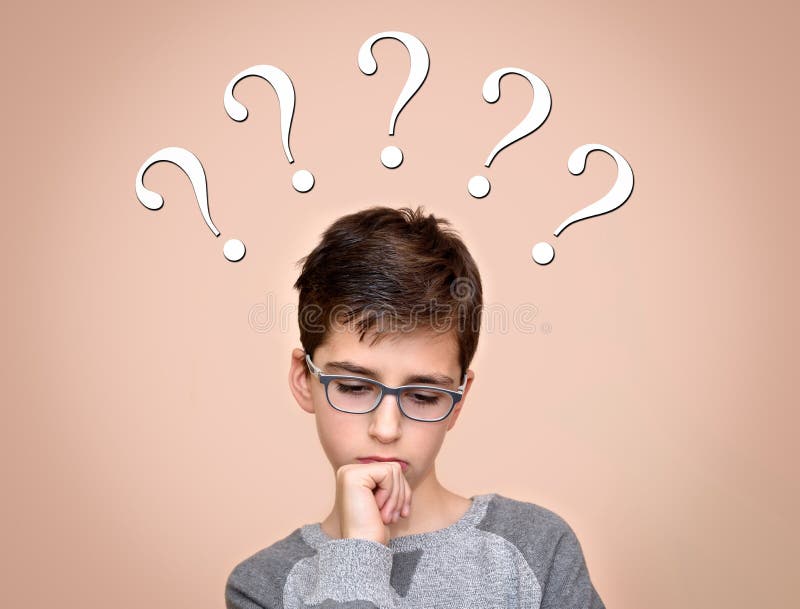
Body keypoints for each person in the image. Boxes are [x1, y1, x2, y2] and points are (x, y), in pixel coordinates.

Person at [225, 206, 605, 609]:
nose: (386, 429)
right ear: (304, 379)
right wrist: (358, 557)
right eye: (354, 387)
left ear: (459, 401)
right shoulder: (264, 586)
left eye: (423, 396)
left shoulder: (538, 548)